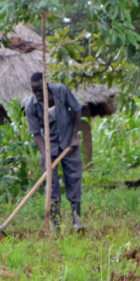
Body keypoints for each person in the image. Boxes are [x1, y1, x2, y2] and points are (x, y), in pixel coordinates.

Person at [24, 71, 85, 230]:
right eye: (34, 91)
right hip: (48, 145)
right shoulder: (31, 106)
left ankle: (76, 219)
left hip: (69, 141)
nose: (37, 94)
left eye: (40, 90)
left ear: (46, 86)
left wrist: (74, 137)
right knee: (51, 185)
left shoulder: (61, 91)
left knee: (74, 178)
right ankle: (56, 222)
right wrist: (46, 155)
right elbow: (36, 134)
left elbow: (77, 110)